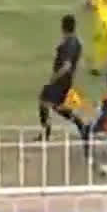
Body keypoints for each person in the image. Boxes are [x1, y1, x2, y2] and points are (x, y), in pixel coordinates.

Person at [37, 14, 89, 143]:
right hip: (66, 80)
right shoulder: (76, 41)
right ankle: (81, 126)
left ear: (63, 27)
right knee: (57, 106)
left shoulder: (68, 44)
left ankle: (47, 133)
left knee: (44, 101)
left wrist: (54, 77)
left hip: (61, 80)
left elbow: (66, 65)